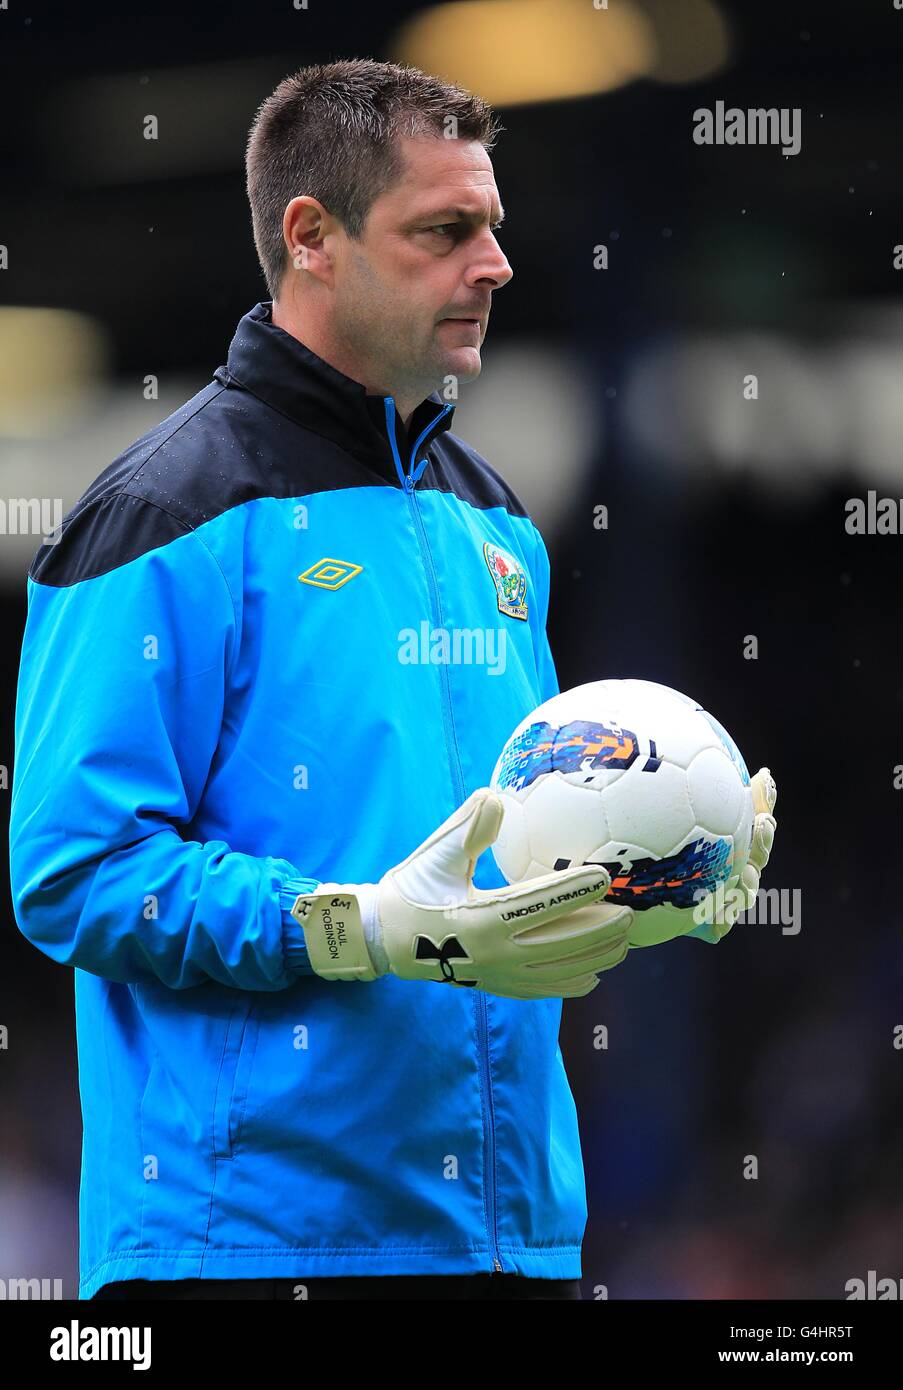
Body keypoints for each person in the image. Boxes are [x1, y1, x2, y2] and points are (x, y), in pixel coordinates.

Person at [9, 58, 777, 1302]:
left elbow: (501, 875)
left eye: (495, 227)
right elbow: (73, 873)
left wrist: (658, 883)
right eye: (445, 230)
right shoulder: (160, 517)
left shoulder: (496, 527)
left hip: (509, 1241)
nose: (496, 263)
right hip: (251, 1251)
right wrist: (357, 927)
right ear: (311, 237)